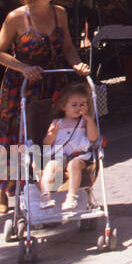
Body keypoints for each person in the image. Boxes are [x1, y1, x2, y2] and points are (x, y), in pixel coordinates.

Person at [0, 0, 90, 213]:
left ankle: (39, 186)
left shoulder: (60, 14)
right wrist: (23, 67)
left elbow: (67, 46)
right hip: (22, 84)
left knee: (48, 133)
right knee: (12, 136)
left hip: (53, 82)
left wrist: (76, 62)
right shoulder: (16, 17)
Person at [38, 80, 98, 210]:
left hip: (79, 156)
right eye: (74, 105)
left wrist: (89, 120)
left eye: (82, 104)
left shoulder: (84, 122)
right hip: (59, 155)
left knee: (74, 165)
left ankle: (72, 197)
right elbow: (46, 143)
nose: (78, 108)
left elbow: (93, 137)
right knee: (51, 167)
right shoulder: (57, 122)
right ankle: (45, 196)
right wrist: (51, 136)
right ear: (64, 106)